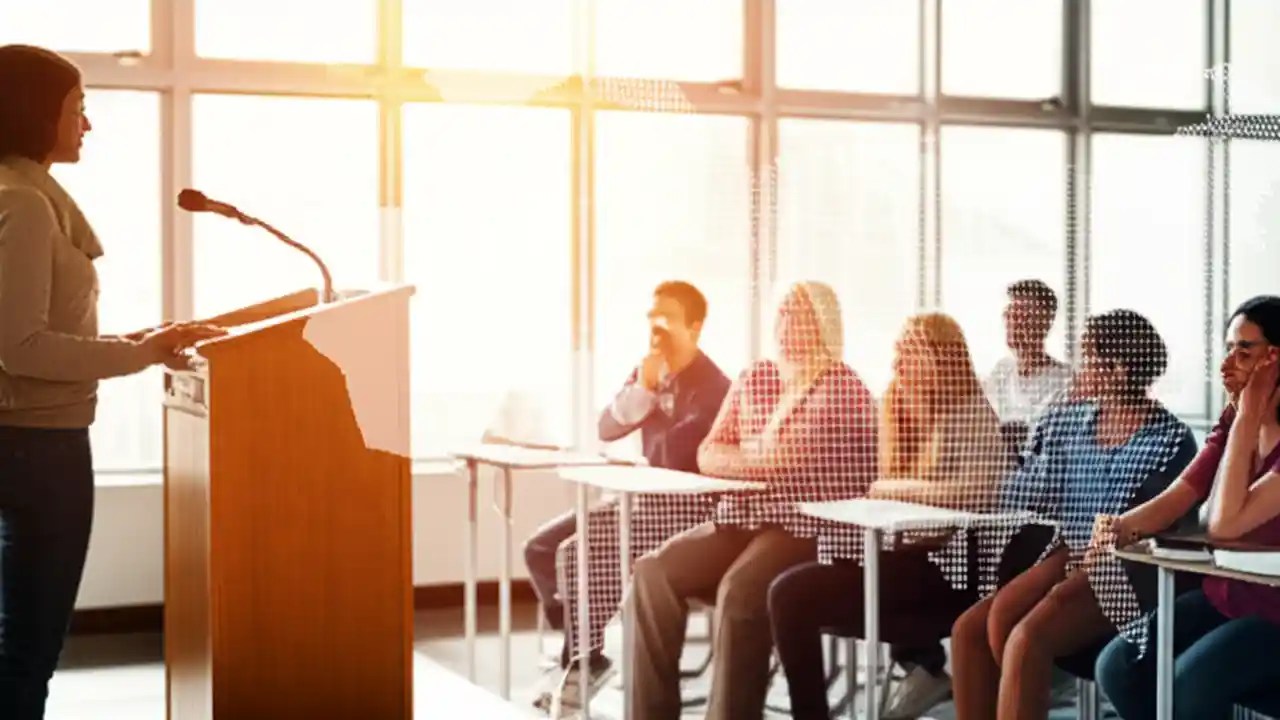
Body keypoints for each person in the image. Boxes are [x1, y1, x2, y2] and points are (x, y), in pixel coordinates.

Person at [0, 45, 224, 719]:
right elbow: (19, 346)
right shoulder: (26, 205)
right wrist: (142, 354)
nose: (86, 125)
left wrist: (145, 341)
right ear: (36, 112)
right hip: (37, 446)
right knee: (28, 646)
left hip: (27, 438)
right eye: (78, 108)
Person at [623, 281, 878, 720]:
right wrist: (756, 455)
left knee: (740, 592)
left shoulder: (840, 384)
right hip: (741, 518)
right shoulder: (756, 375)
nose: (786, 325)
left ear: (823, 325)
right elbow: (708, 452)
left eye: (799, 316)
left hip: (804, 526)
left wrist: (745, 455)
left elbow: (786, 459)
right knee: (652, 572)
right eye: (782, 314)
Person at [949, 309, 1197, 720]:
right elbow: (1023, 493)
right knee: (969, 631)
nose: (1080, 366)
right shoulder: (1068, 422)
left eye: (1088, 356)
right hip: (1072, 554)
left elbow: (1157, 527)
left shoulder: (1170, 440)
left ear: (1117, 369)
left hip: (1130, 569)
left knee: (1024, 635)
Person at [768, 312, 1010, 720]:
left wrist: (896, 489)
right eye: (898, 351)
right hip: (896, 560)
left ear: (938, 359)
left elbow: (974, 496)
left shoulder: (971, 412)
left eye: (910, 353)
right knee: (787, 593)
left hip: (946, 572)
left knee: (792, 595)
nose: (898, 363)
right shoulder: (897, 408)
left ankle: (921, 665)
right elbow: (885, 491)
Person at [523, 281, 731, 713]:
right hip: (640, 500)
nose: (656, 327)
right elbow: (607, 426)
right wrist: (644, 390)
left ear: (694, 328)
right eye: (652, 315)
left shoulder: (713, 388)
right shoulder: (650, 372)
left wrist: (651, 394)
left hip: (685, 511)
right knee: (542, 549)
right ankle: (584, 650)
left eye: (667, 317)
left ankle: (579, 661)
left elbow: (678, 454)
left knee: (578, 551)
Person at [1095, 295, 1280, 720]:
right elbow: (1183, 493)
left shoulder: (1244, 419)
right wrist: (1121, 525)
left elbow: (1225, 525)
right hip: (1229, 595)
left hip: (1275, 613)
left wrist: (1249, 413)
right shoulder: (1234, 422)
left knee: (1189, 682)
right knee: (1118, 667)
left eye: (1244, 350)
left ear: (1275, 359)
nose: (1227, 364)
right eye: (1229, 348)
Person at [984, 280, 1072, 452]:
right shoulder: (1000, 372)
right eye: (1008, 315)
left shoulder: (1065, 381)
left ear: (1046, 323)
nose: (1012, 323)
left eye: (1022, 316)